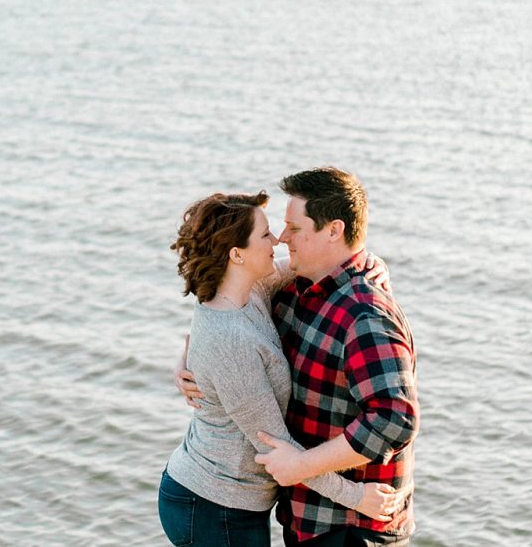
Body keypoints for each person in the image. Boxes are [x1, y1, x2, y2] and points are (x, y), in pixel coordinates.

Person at [177, 169, 419, 547]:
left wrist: (303, 466)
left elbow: (395, 418)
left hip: (352, 526)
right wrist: (191, 362)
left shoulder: (365, 316)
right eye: (276, 229)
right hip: (303, 514)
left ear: (334, 230)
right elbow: (224, 315)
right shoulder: (292, 289)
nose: (281, 237)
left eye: (293, 227)